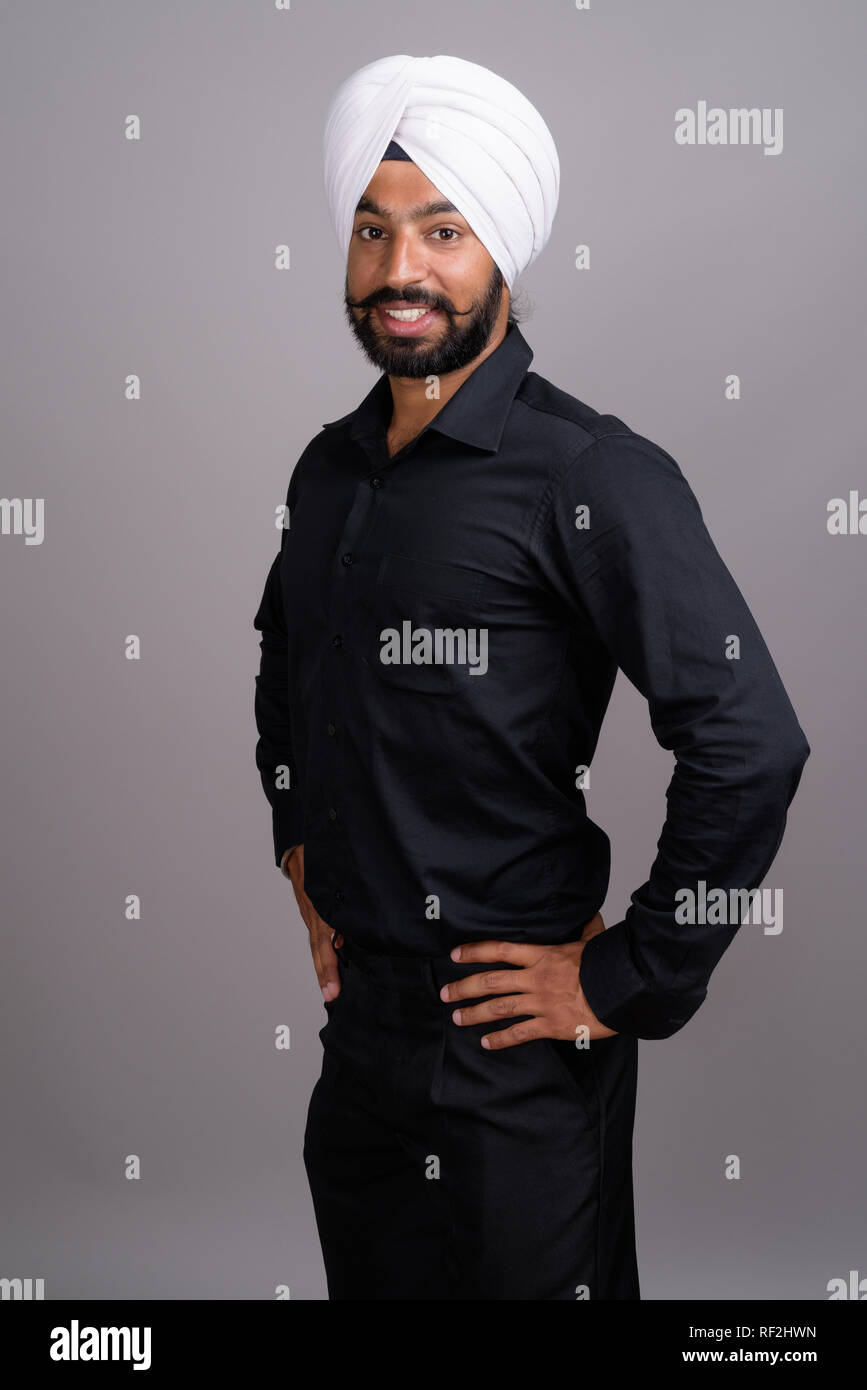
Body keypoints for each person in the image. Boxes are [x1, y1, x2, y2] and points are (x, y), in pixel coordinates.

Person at [252, 54, 810, 1300]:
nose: (403, 271)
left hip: (512, 1043)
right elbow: (288, 655)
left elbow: (753, 739)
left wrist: (628, 977)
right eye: (374, 230)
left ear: (502, 248)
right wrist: (298, 837)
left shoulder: (590, 472)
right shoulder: (328, 470)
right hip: (363, 1038)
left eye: (444, 231)